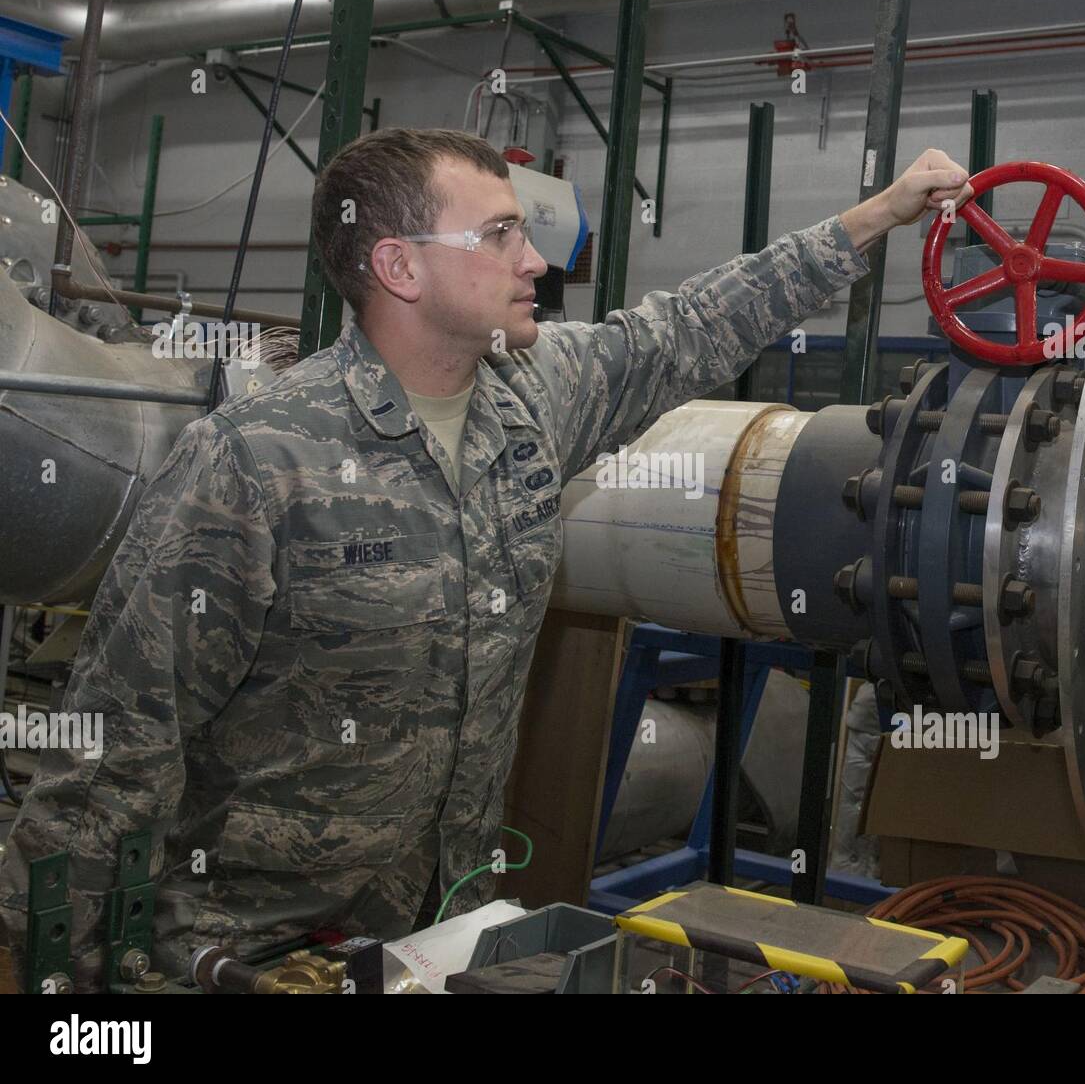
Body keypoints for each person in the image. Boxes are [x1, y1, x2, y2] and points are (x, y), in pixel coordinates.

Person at [0, 127, 972, 990]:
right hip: (242, 946)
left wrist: (873, 217)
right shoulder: (257, 460)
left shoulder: (533, 398)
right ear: (400, 266)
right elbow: (118, 742)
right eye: (501, 233)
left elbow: (687, 328)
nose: (538, 261)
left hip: (438, 926)